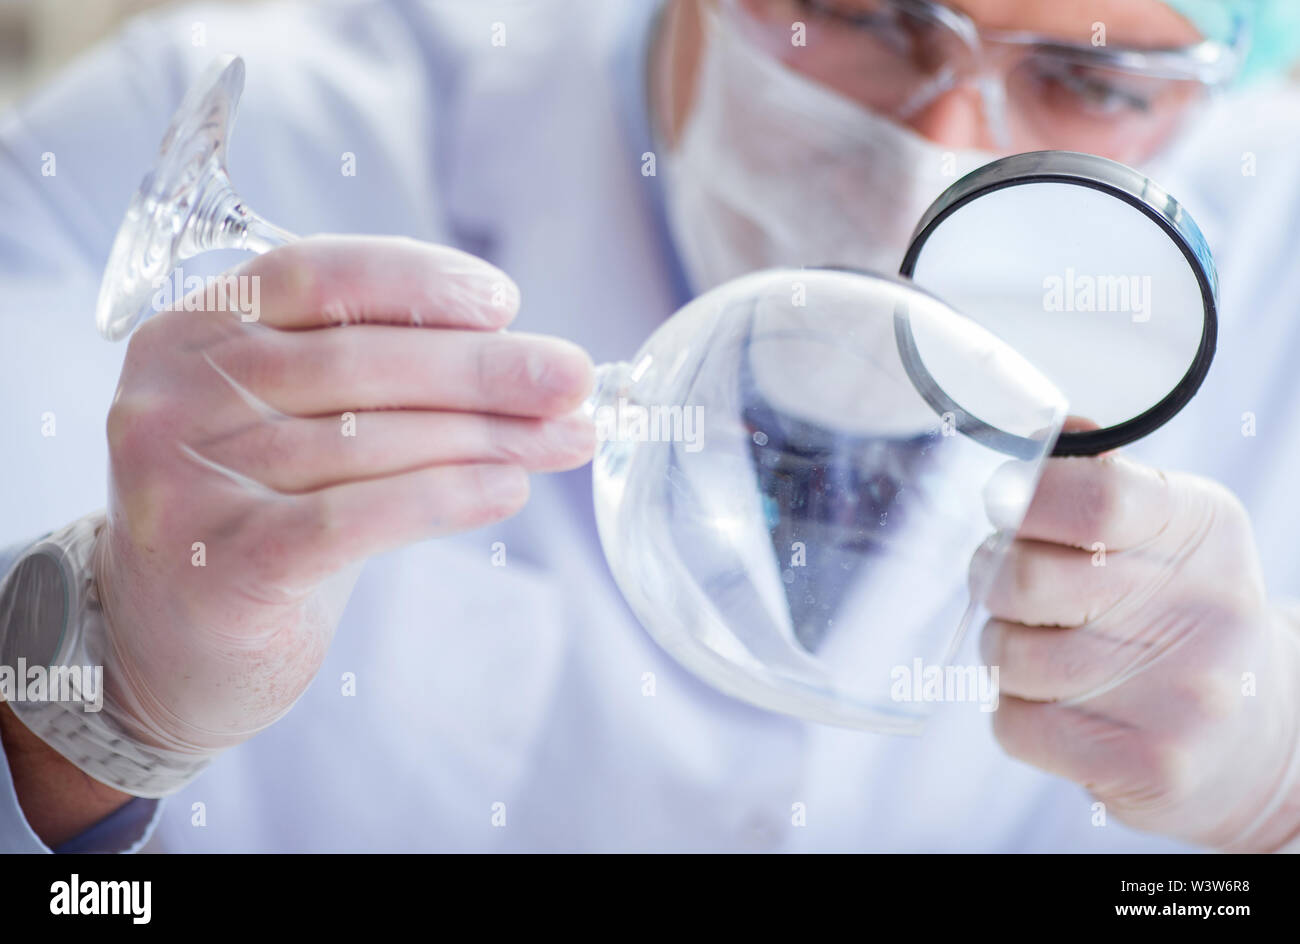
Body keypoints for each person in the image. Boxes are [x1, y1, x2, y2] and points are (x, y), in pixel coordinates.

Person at [1, 0, 1299, 853]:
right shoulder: (212, 138)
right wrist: (90, 707)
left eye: (1091, 81)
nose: (939, 147)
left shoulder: (1275, 253)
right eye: (857, 9)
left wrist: (1275, 798)